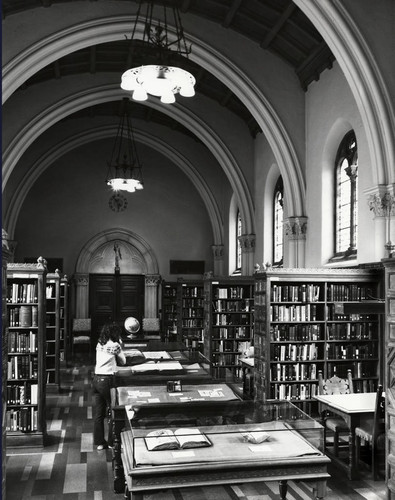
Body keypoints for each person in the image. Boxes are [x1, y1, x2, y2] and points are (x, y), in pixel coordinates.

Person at [92, 322, 126, 450]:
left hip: (96, 379)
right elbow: (123, 361)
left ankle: (100, 442)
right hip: (107, 380)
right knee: (113, 411)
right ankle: (112, 442)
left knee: (99, 413)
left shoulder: (99, 343)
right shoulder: (115, 345)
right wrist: (120, 347)